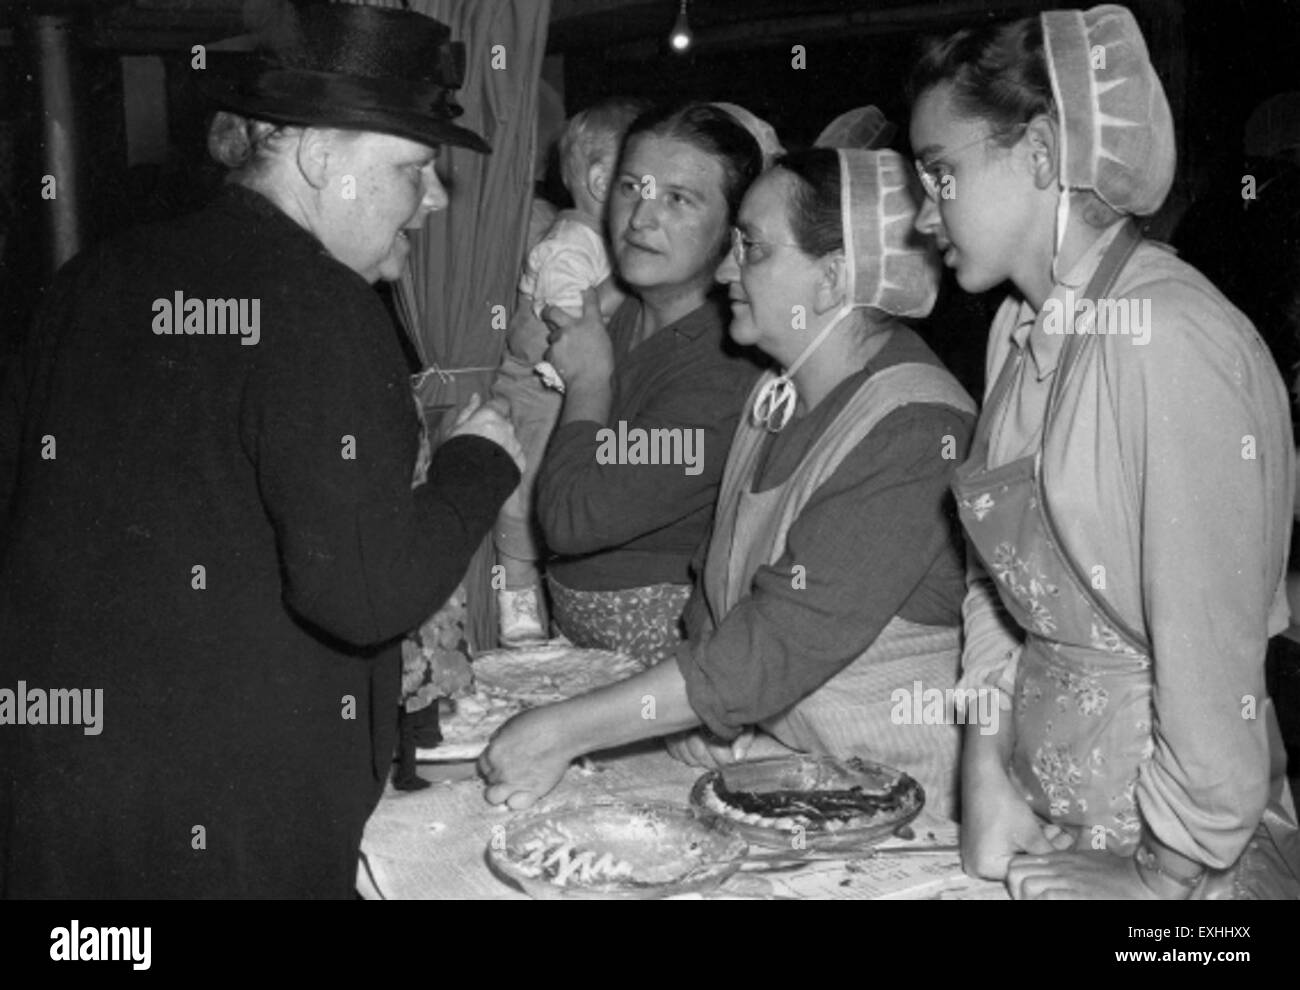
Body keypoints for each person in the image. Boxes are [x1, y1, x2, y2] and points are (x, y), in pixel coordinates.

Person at [0, 4, 523, 898]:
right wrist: (480, 460)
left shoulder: (97, 272)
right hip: (226, 816)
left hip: (62, 790)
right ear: (321, 158)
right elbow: (363, 595)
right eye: (414, 169)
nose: (433, 201)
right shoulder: (321, 305)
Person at [909, 4, 1300, 898]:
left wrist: (1162, 876)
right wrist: (990, 765)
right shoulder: (1017, 328)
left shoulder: (1168, 339)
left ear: (1042, 154)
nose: (923, 215)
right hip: (1051, 818)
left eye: (939, 173)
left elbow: (1211, 656)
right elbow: (996, 587)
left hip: (1189, 861)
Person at [480, 146, 977, 817]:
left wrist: (560, 731)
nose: (724, 269)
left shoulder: (916, 431)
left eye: (754, 249)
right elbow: (719, 584)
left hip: (905, 811)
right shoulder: (775, 396)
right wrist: (712, 716)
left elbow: (776, 640)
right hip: (794, 783)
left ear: (831, 280)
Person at [533, 102, 766, 667]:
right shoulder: (612, 313)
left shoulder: (725, 369)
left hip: (662, 674)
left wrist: (588, 380)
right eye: (632, 186)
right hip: (576, 653)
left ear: (733, 228)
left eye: (677, 199)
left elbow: (573, 517)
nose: (639, 218)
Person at [490, 97, 647, 647]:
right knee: (527, 485)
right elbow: (565, 327)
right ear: (604, 183)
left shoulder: (604, 243)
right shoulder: (568, 245)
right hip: (538, 391)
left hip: (568, 390)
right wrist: (627, 282)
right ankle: (515, 595)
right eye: (642, 183)